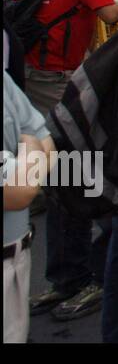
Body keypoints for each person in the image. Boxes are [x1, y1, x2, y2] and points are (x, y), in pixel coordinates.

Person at [24, 0, 118, 321]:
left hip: (52, 85)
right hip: (62, 87)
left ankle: (69, 277)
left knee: (67, 183)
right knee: (86, 185)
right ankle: (87, 278)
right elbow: (111, 14)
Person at [3, 66, 53, 343]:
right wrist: (31, 149)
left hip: (18, 258)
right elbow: (18, 192)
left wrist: (29, 156)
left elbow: (48, 146)